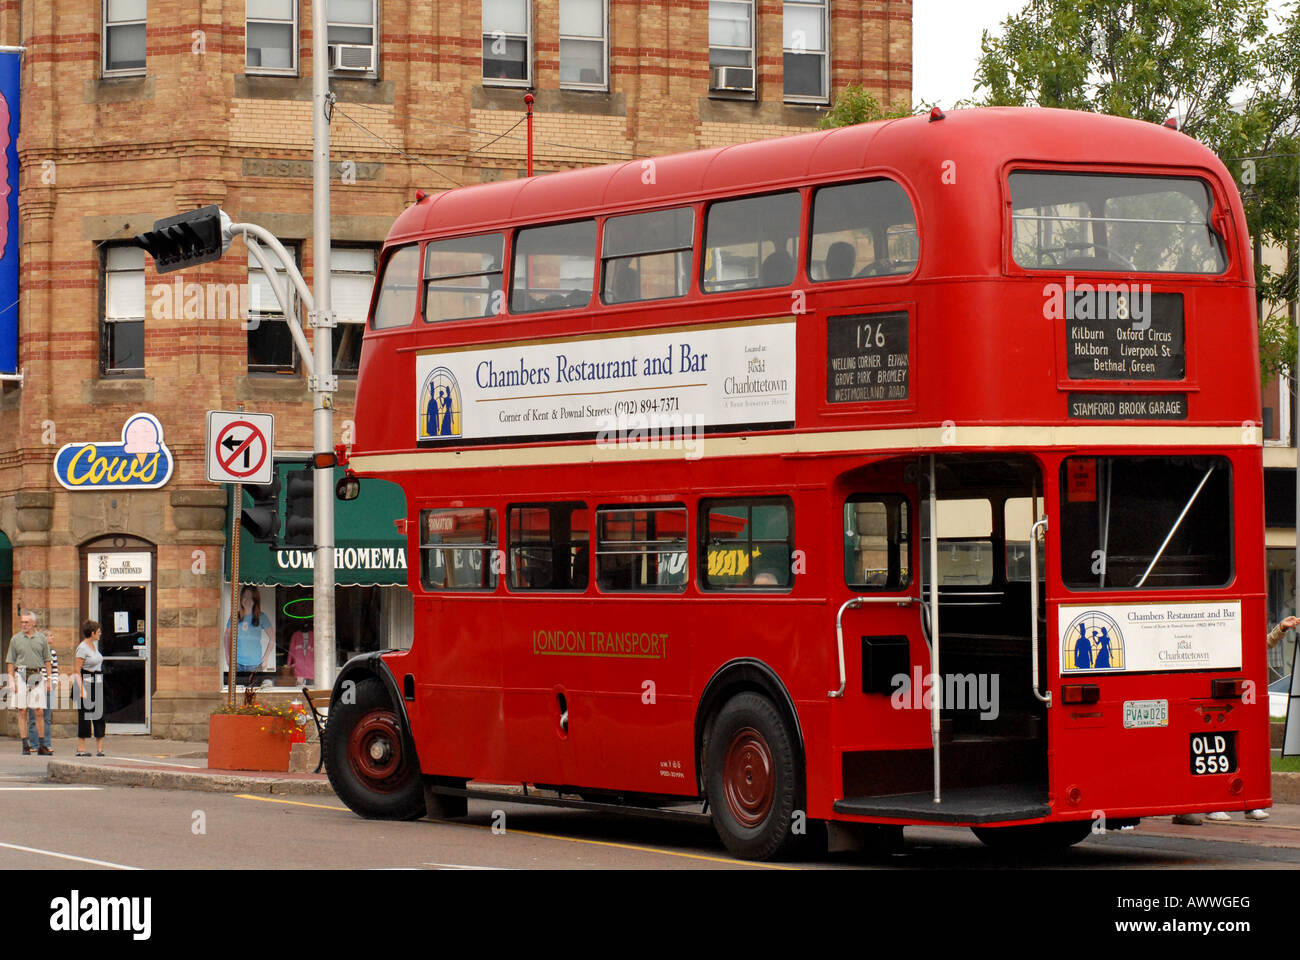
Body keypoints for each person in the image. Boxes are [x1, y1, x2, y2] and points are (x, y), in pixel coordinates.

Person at [1174, 614, 1300, 825]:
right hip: (1208, 701)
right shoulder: (1198, 642)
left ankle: (1250, 804)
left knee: (1242, 752)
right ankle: (1214, 804)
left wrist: (1281, 629)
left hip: (1237, 699)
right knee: (1210, 752)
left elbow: (1262, 644)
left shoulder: (1234, 636)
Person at [5, 611, 53, 756]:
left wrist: (49, 680)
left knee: (39, 711)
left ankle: (42, 745)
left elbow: (47, 660)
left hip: (37, 674)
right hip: (20, 673)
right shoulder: (16, 639)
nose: (24, 625)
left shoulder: (41, 639)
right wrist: (11, 680)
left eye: (26, 622)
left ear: (33, 623)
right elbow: (10, 661)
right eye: (22, 622)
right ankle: (25, 744)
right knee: (22, 710)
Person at [225, 586, 273, 682]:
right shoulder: (235, 616)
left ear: (255, 600)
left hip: (255, 665)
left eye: (250, 597)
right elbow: (226, 636)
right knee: (236, 694)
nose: (247, 600)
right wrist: (228, 656)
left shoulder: (261, 617)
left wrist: (265, 658)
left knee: (253, 695)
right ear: (241, 598)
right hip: (236, 664)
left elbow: (273, 638)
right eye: (245, 597)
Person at [74, 620, 106, 757]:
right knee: (85, 716)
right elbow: (76, 670)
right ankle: (81, 748)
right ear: (92, 633)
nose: (100, 634)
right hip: (86, 682)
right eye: (98, 632)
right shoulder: (82, 648)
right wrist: (81, 689)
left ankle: (99, 748)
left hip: (97, 682)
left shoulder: (93, 646)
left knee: (99, 714)